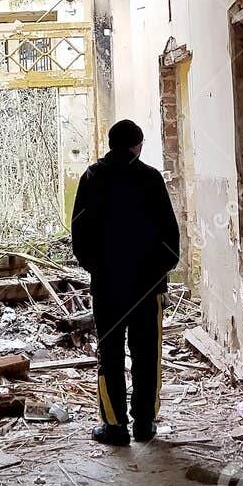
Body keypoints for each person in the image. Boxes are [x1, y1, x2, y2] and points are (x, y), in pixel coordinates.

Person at [70, 118, 180, 446]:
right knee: (147, 354)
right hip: (147, 287)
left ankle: (115, 427)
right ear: (137, 145)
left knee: (111, 353)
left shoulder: (92, 177)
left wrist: (98, 269)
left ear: (111, 143)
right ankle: (145, 423)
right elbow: (169, 234)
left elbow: (80, 234)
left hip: (108, 286)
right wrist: (160, 270)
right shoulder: (150, 178)